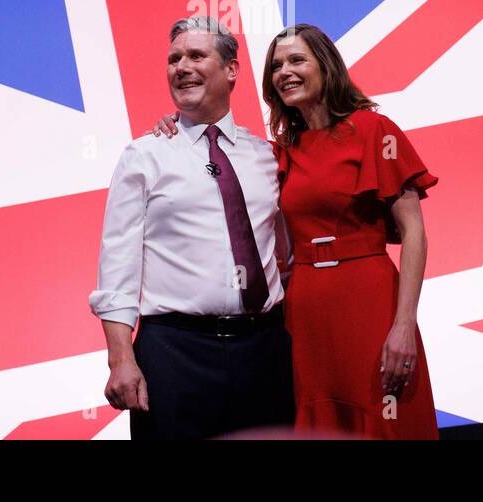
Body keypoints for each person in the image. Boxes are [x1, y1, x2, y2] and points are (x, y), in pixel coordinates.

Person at [155, 23, 441, 438]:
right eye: (275, 65)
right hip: (304, 312)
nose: (284, 71)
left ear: (325, 66)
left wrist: (403, 326)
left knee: (383, 415)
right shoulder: (281, 151)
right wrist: (178, 124)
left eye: (296, 60)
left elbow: (413, 232)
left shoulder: (374, 131)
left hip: (368, 301)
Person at [89, 17, 294, 439]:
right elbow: (118, 265)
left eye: (196, 55)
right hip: (174, 354)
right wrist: (120, 359)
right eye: (173, 59)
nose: (181, 66)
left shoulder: (266, 157)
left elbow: (287, 254)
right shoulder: (145, 155)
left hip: (265, 350)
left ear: (232, 70)